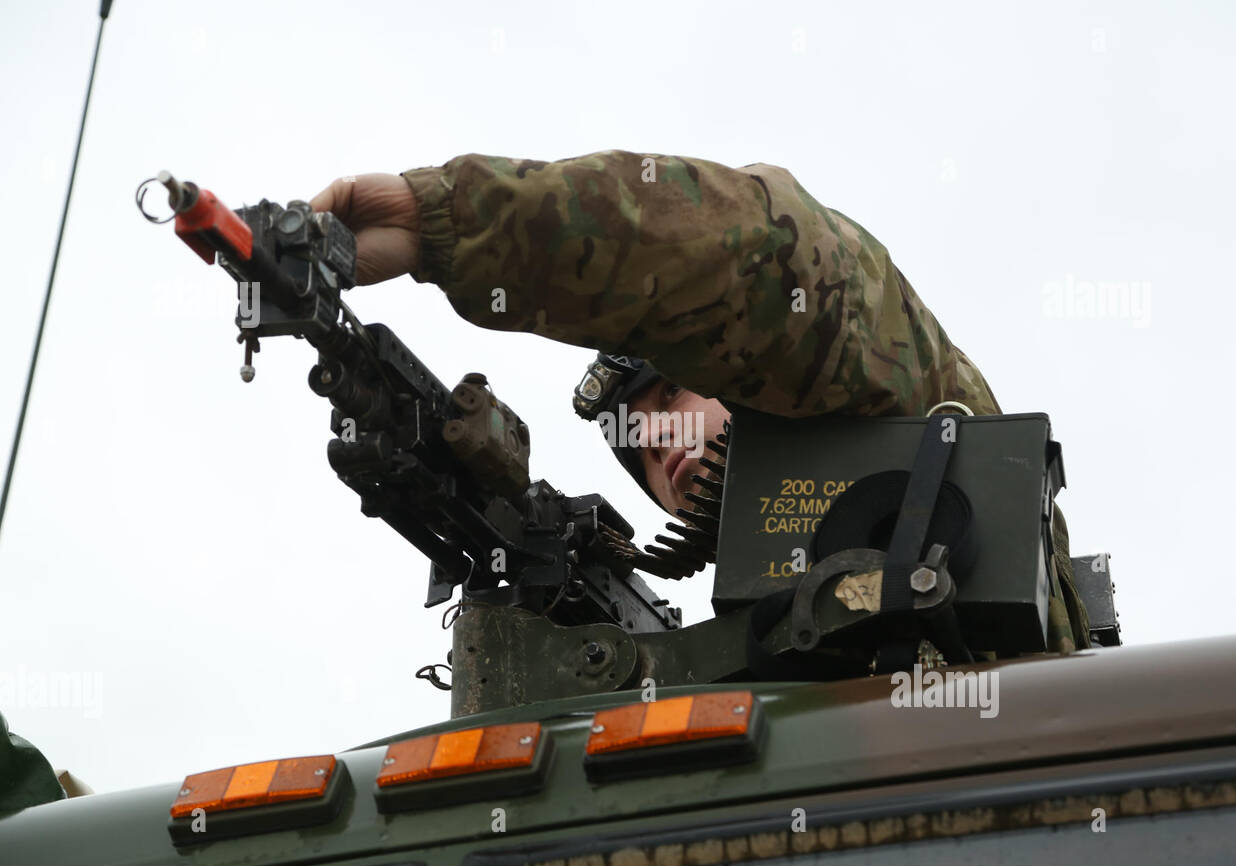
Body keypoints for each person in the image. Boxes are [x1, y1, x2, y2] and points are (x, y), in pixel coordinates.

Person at [310, 151, 1088, 649]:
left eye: (677, 394)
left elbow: (768, 254)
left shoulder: (909, 411)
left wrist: (450, 225)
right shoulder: (741, 638)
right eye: (641, 446)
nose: (666, 440)